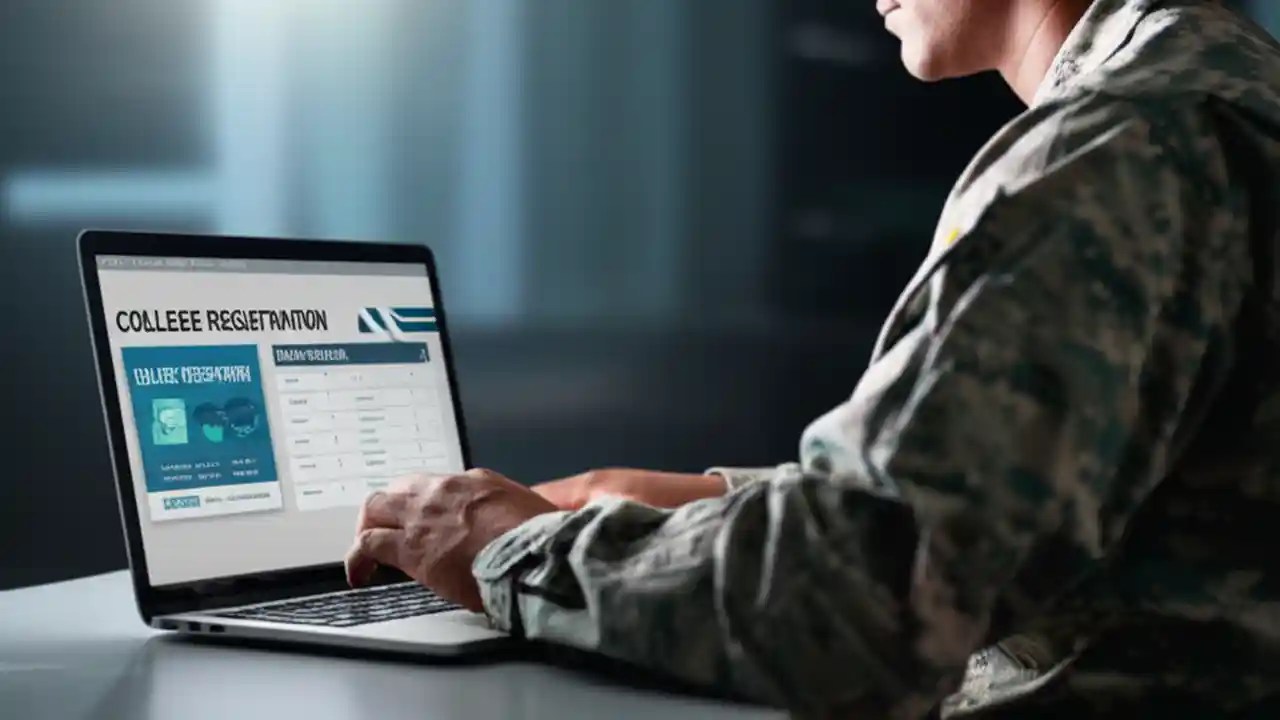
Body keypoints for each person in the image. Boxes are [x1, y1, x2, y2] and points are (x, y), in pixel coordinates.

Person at [345, 0, 1280, 716]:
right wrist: (699, 502)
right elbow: (1023, 513)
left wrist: (507, 550)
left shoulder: (1115, 147)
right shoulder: (1217, 90)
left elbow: (863, 601)